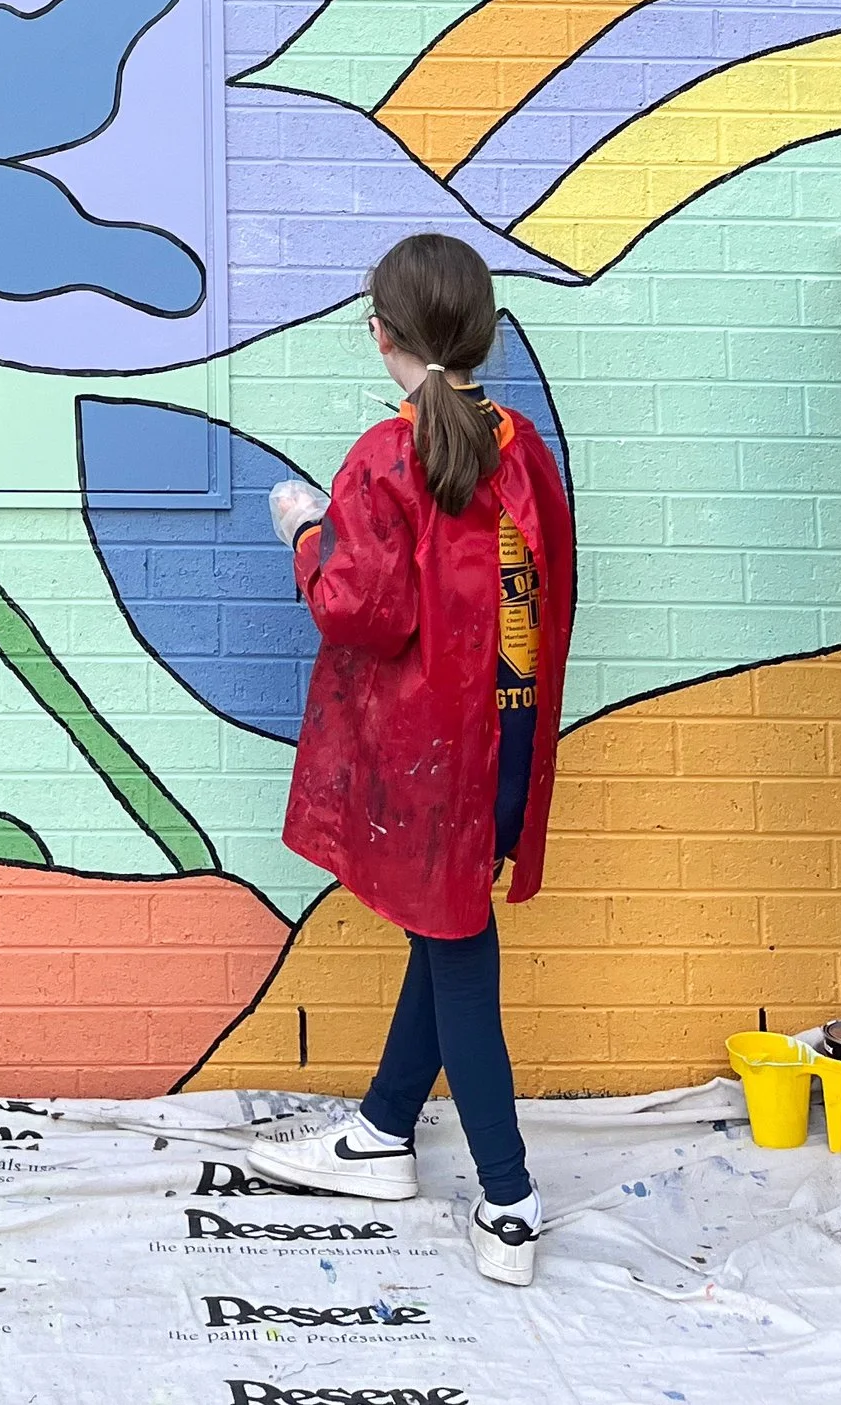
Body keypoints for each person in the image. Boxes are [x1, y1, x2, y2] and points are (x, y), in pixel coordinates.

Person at [243, 232, 574, 1287]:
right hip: (507, 733)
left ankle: (509, 1197)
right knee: (445, 929)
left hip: (435, 748)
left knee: (458, 952)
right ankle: (385, 1129)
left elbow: (357, 611)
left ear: (377, 332)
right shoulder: (518, 446)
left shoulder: (387, 457)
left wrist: (305, 529)